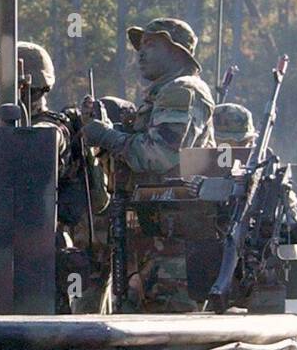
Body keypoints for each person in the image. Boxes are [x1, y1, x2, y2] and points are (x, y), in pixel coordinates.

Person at [81, 17, 216, 312]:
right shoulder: (160, 97)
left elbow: (160, 155)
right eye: (140, 47)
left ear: (178, 52)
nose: (141, 53)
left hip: (172, 244)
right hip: (152, 238)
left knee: (169, 336)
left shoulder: (182, 90)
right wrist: (106, 135)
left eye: (151, 45)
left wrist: (107, 136)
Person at [0, 41, 108, 312]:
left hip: (45, 251)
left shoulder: (54, 129)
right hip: (1, 251)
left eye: (3, 80)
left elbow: (42, 142)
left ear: (27, 84)